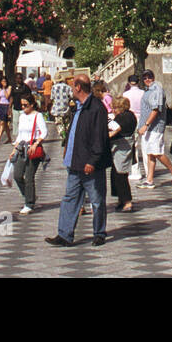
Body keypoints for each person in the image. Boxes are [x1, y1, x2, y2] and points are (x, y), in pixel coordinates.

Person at [45, 74, 109, 247]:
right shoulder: (78, 107)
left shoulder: (96, 108)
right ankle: (64, 234)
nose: (72, 89)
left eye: (73, 86)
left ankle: (99, 233)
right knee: (70, 198)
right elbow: (74, 131)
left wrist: (93, 161)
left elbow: (99, 138)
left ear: (79, 87)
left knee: (96, 200)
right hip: (74, 161)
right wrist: (67, 147)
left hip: (90, 164)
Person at [137, 69, 172, 189]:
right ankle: (149, 180)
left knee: (157, 152)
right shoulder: (149, 90)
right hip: (150, 128)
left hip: (155, 127)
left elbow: (155, 109)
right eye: (144, 78)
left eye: (149, 77)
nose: (147, 79)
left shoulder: (156, 89)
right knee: (150, 153)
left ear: (153, 77)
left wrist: (145, 125)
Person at [10, 93, 47, 214]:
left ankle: (29, 203)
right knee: (17, 175)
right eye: (21, 105)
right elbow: (20, 134)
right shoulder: (22, 116)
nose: (23, 107)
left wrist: (36, 143)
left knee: (29, 176)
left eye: (25, 105)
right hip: (22, 147)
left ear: (32, 105)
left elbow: (44, 132)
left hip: (33, 149)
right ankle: (29, 195)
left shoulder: (38, 116)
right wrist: (14, 150)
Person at [108, 95, 136, 213]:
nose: (113, 110)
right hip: (122, 146)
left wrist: (108, 135)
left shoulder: (123, 117)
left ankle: (127, 201)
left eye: (115, 108)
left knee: (120, 174)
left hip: (122, 147)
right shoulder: (130, 115)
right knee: (116, 173)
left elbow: (117, 129)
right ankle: (121, 198)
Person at [0, 77, 13, 145]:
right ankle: (9, 138)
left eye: (5, 81)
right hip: (1, 105)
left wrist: (4, 89)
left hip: (6, 105)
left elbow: (7, 96)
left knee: (2, 122)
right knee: (5, 124)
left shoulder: (9, 88)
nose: (4, 82)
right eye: (2, 81)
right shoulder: (0, 89)